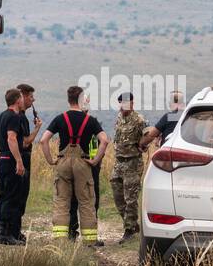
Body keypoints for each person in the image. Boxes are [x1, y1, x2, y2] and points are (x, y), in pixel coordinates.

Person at [38, 85, 108, 247]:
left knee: (62, 201)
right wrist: (95, 160)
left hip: (63, 162)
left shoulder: (60, 118)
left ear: (68, 99)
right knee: (86, 201)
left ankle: (61, 241)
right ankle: (89, 242)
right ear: (81, 99)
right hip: (83, 163)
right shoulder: (90, 121)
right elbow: (104, 140)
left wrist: (50, 160)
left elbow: (43, 140)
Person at [110, 90, 148, 243]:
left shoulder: (139, 119)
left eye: (125, 103)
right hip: (119, 162)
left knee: (130, 198)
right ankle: (132, 225)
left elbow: (149, 133)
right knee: (118, 196)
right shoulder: (119, 118)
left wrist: (142, 145)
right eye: (120, 103)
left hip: (133, 163)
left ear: (132, 103)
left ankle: (129, 230)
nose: (122, 106)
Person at [0, 88, 30, 245]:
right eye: (21, 98)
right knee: (12, 196)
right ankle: (6, 234)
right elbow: (12, 138)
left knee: (3, 195)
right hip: (10, 159)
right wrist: (19, 161)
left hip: (2, 157)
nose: (23, 100)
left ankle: (0, 231)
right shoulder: (14, 117)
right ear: (17, 100)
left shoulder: (2, 115)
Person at [68, 91, 102, 238]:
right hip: (87, 164)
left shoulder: (91, 121)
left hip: (88, 165)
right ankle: (76, 231)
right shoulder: (90, 122)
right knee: (83, 200)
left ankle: (76, 232)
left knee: (84, 200)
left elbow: (101, 143)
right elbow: (104, 142)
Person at [16, 82, 43, 212]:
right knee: (20, 193)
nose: (33, 100)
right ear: (24, 97)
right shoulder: (21, 118)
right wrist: (37, 128)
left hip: (21, 158)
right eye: (31, 97)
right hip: (22, 158)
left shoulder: (20, 117)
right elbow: (25, 142)